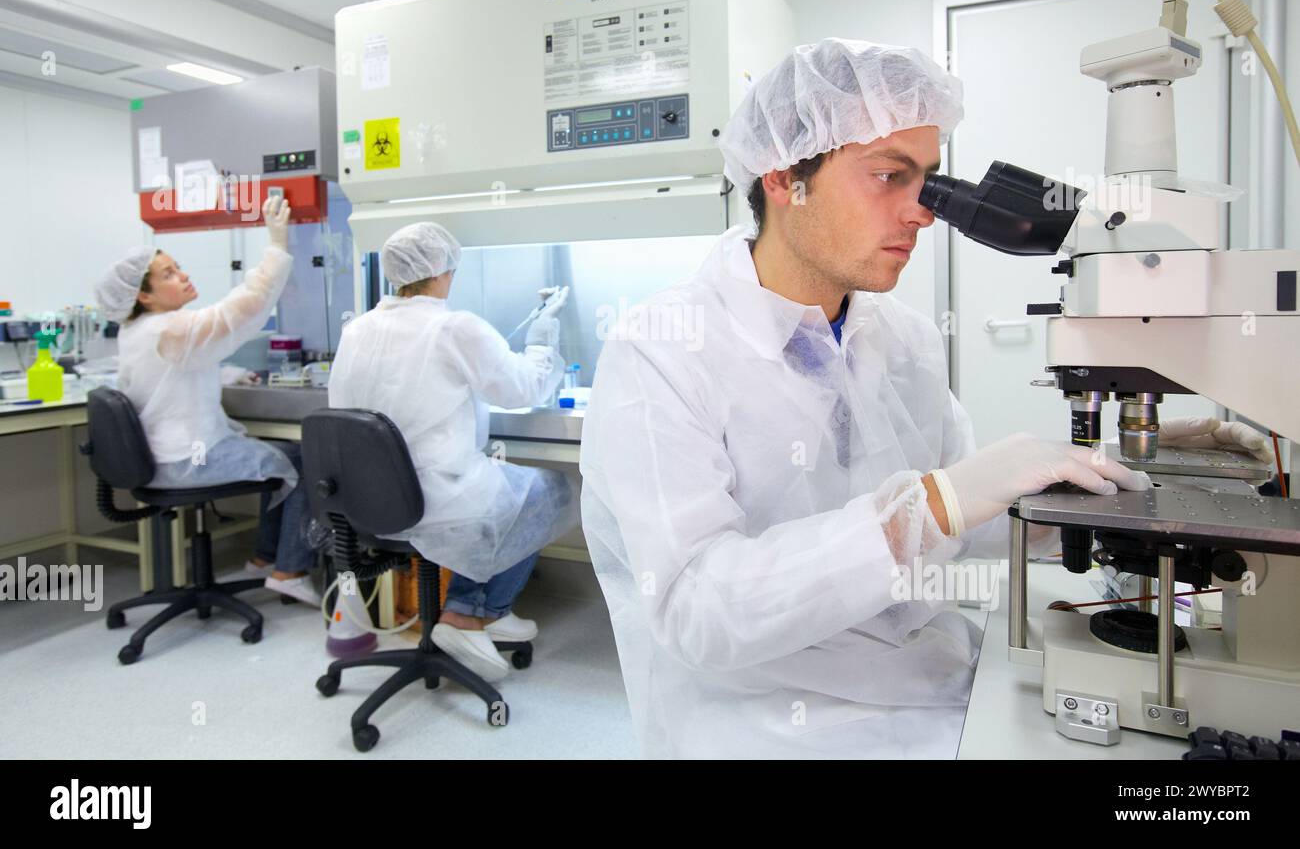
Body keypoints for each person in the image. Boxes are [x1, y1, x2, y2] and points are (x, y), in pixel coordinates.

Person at [579, 37, 1272, 759]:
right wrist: (924, 510)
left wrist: (1102, 482)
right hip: (766, 720)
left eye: (929, 180)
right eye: (889, 176)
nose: (923, 212)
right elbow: (695, 609)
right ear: (784, 178)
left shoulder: (903, 339)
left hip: (932, 678)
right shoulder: (663, 350)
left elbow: (962, 521)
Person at [328, 221, 578, 683]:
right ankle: (469, 612)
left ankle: (485, 611)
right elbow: (523, 388)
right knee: (554, 490)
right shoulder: (454, 327)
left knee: (512, 492)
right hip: (438, 497)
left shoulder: (357, 329)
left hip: (366, 503)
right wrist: (543, 338)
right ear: (444, 269)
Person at [94, 197, 320, 605]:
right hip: (189, 460)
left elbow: (174, 371)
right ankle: (290, 570)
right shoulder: (169, 329)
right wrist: (276, 246)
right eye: (168, 274)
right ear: (143, 296)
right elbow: (241, 311)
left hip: (160, 458)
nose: (182, 276)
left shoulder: (138, 331)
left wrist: (228, 374)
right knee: (306, 461)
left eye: (178, 267)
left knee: (280, 455)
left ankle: (263, 558)